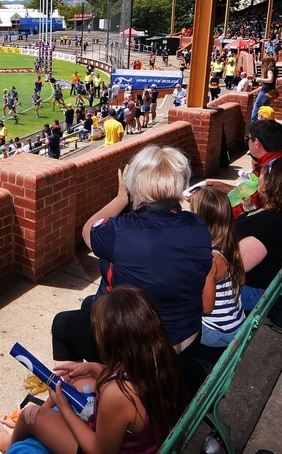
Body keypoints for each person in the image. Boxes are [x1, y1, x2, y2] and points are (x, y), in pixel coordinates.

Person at [52, 146, 212, 384]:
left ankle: (83, 397)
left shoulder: (119, 231)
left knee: (63, 324)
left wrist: (120, 198)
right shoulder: (198, 226)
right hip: (185, 343)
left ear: (134, 184)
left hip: (141, 354)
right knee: (88, 305)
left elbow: (88, 231)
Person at [0, 286, 186, 454]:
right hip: (147, 441)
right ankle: (41, 424)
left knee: (33, 417)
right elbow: (136, 380)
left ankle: (11, 445)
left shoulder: (118, 394)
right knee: (75, 383)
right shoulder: (160, 358)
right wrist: (96, 369)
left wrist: (64, 409)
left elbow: (99, 451)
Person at [234, 157, 282, 312]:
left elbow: (234, 268)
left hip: (250, 292)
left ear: (268, 185)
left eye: (260, 177)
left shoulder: (267, 224)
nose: (256, 180)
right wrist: (250, 208)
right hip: (268, 284)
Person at [191, 187, 245, 348]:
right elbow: (242, 280)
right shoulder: (231, 244)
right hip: (237, 323)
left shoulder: (210, 260)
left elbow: (207, 308)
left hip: (217, 332)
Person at [250, 55, 278, 122]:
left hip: (265, 90)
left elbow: (270, 80)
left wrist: (260, 79)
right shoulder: (275, 69)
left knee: (256, 106)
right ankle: (265, 121)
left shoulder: (270, 69)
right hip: (271, 90)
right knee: (266, 106)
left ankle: (253, 122)